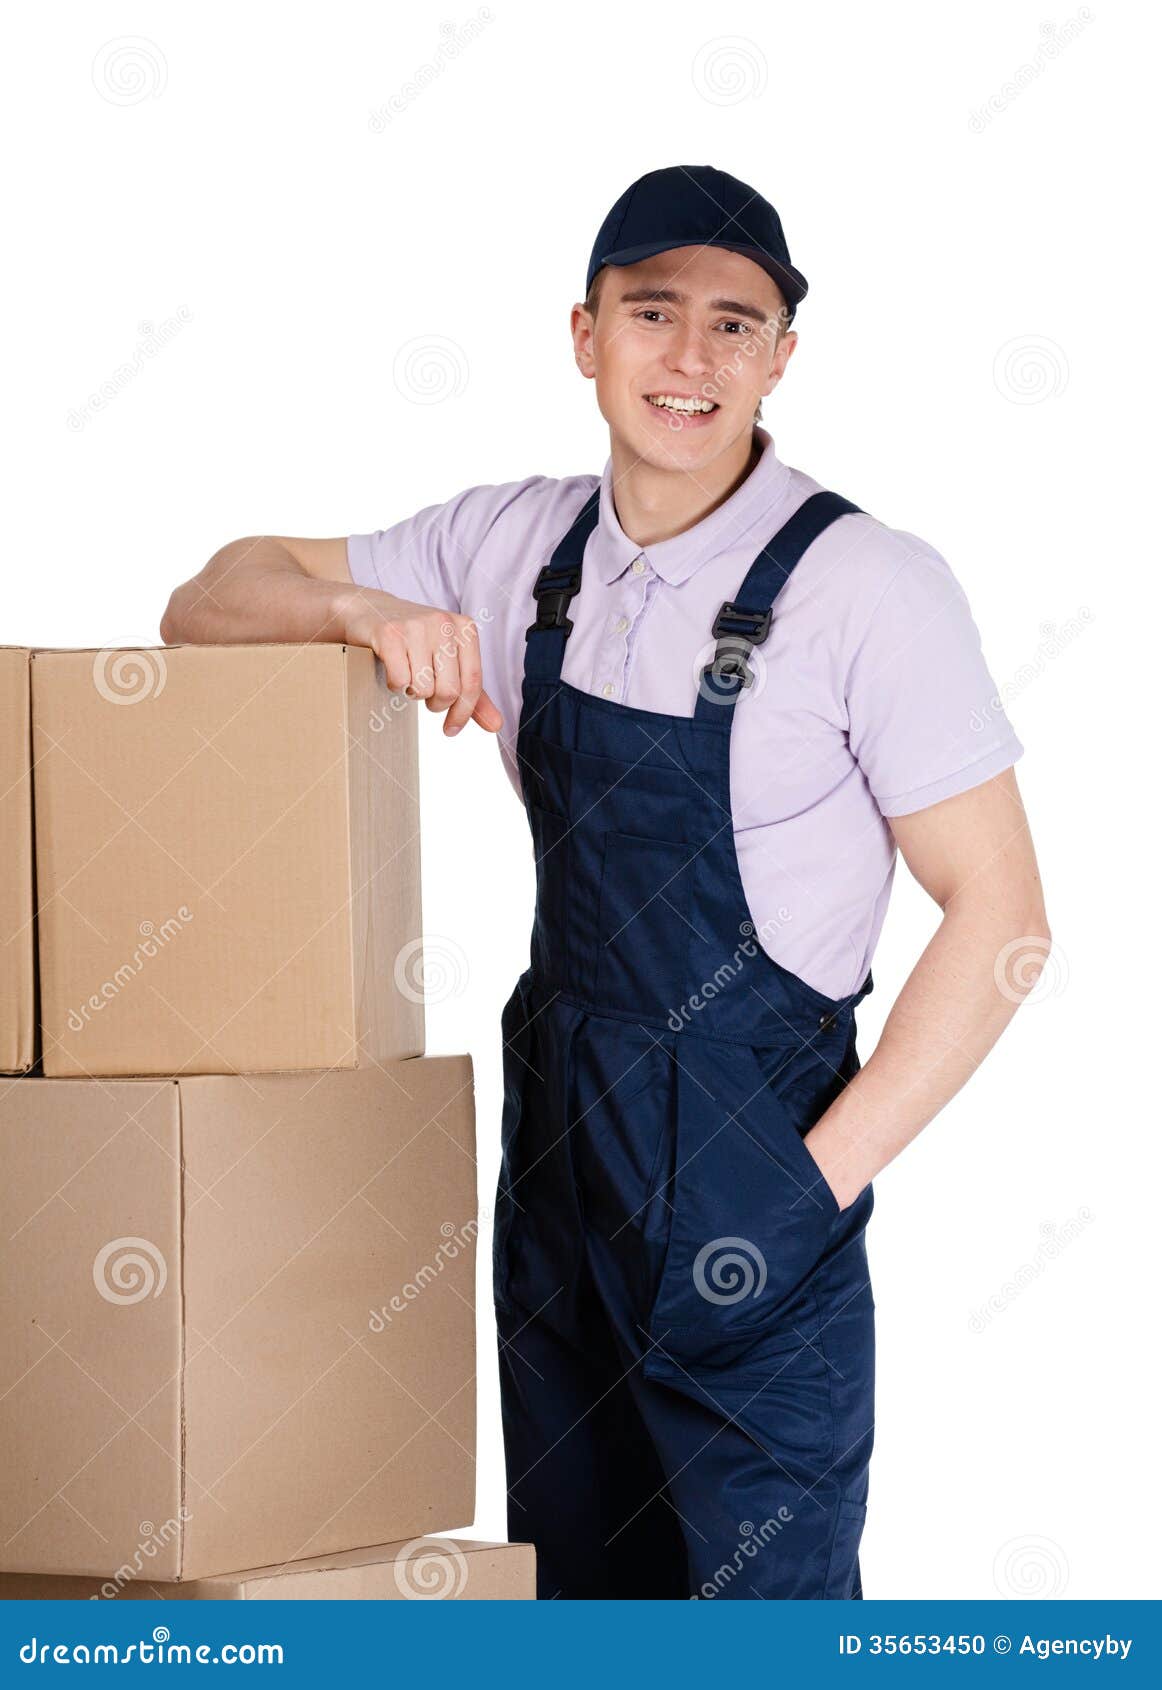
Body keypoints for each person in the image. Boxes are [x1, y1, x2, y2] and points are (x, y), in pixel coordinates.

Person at [162, 164, 1050, 1600]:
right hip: (562, 1179)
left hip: (754, 1183)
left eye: (734, 324)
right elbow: (205, 602)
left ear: (780, 357)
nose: (690, 357)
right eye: (652, 312)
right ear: (585, 335)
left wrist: (807, 1189)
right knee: (577, 1598)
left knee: (763, 1634)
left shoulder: (869, 587)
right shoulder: (511, 546)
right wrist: (357, 607)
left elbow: (1004, 919)